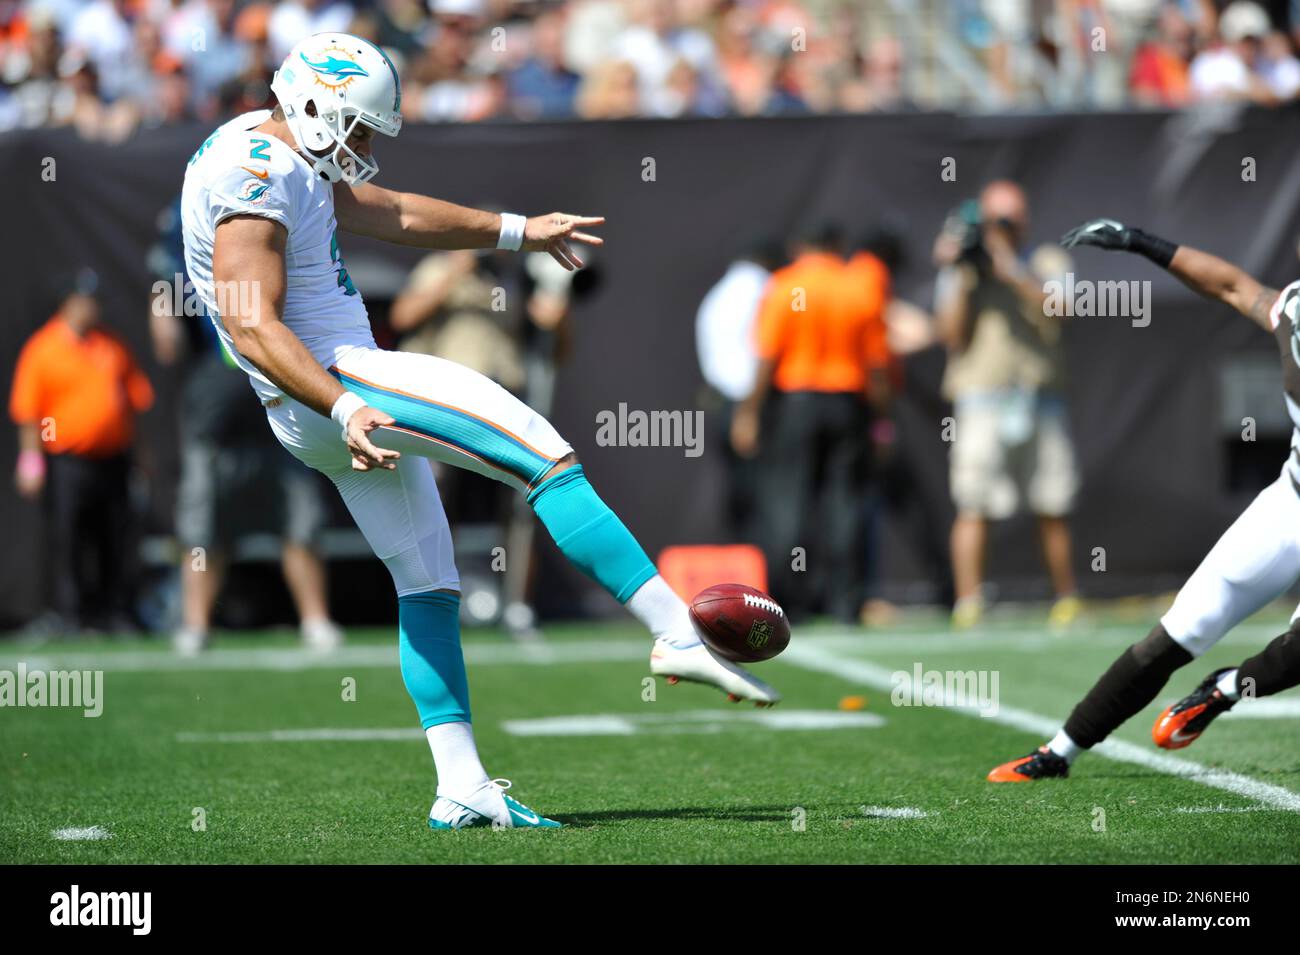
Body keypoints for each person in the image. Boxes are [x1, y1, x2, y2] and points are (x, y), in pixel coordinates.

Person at [180, 31, 778, 831]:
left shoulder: (278, 151)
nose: (361, 147)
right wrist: (345, 405)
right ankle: (675, 631)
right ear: (316, 105)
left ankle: (460, 783)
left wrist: (516, 229)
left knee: (428, 584)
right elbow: (252, 324)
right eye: (354, 128)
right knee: (542, 451)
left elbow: (388, 211)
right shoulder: (253, 169)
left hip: (319, 398)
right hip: (335, 380)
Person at [988, 217, 1300, 782]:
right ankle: (1059, 752)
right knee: (1181, 630)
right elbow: (1231, 285)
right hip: (1292, 502)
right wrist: (1139, 242)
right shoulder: (1295, 306)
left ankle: (1225, 688)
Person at [149, 198, 344, 655]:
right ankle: (194, 624)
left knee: (300, 516)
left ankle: (316, 621)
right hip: (216, 408)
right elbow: (165, 325)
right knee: (203, 523)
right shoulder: (187, 239)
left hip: (277, 400)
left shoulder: (281, 218)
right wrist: (166, 313)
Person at [933, 181, 1081, 630]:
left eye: (1008, 220)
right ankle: (969, 600)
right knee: (974, 501)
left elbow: (1063, 308)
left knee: (1051, 500)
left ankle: (1066, 595)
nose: (1001, 229)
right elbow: (951, 336)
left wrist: (1010, 269)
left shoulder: (1047, 261)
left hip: (1038, 396)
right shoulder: (964, 270)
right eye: (993, 221)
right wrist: (963, 272)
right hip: (981, 398)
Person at [731, 223, 889, 620]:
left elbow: (766, 355)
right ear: (838, 244)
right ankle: (845, 603)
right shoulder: (857, 287)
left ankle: (791, 603)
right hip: (848, 403)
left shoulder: (784, 285)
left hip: (796, 404)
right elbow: (876, 366)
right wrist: (882, 421)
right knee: (845, 504)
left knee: (789, 502)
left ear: (798, 245)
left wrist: (748, 412)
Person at [10, 271, 154, 634]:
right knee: (69, 537)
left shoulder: (111, 345)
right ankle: (70, 615)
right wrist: (31, 460)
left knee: (114, 537)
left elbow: (133, 402)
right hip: (67, 461)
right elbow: (29, 411)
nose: (93, 309)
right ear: (69, 304)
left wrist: (140, 458)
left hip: (112, 459)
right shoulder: (43, 348)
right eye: (86, 301)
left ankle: (114, 613)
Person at [695, 237, 784, 540]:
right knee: (765, 500)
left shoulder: (717, 294)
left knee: (738, 498)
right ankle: (766, 581)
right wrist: (749, 414)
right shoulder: (765, 290)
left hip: (722, 403)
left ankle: (745, 579)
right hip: (751, 405)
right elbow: (764, 352)